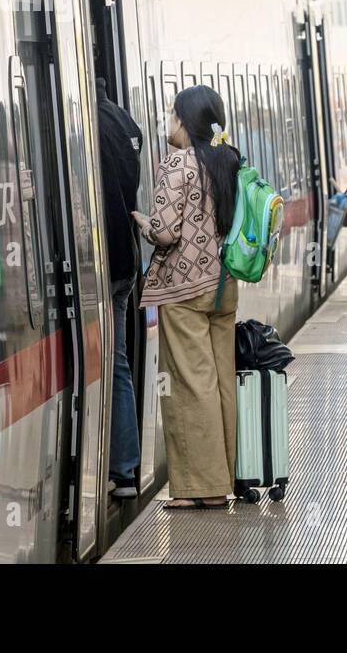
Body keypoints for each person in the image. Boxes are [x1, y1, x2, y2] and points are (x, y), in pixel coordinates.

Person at [133, 85, 243, 509]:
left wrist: (141, 220)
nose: (166, 122)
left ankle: (203, 487)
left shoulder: (177, 163)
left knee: (189, 387)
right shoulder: (227, 157)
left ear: (185, 121)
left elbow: (164, 231)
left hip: (184, 291)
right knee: (220, 383)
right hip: (223, 287)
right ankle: (227, 474)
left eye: (171, 114)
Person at [96, 78, 144, 499]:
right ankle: (124, 469)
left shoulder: (84, 123)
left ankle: (118, 465)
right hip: (126, 259)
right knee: (118, 362)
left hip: (100, 265)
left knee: (109, 363)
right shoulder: (126, 121)